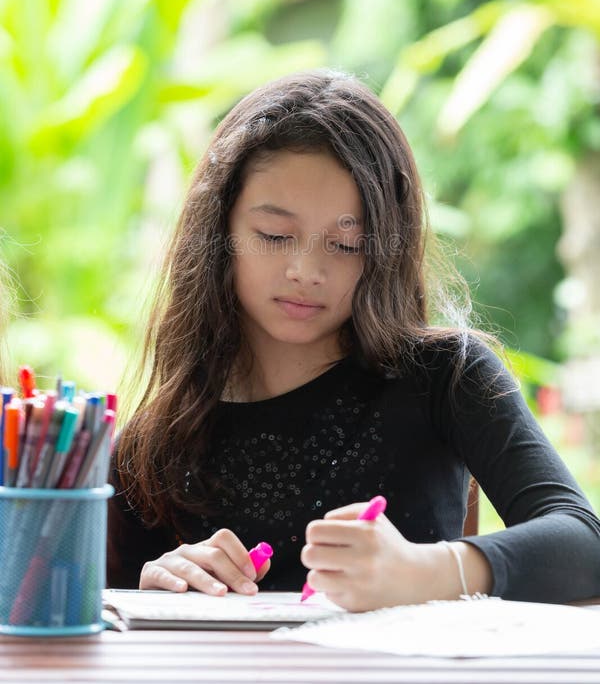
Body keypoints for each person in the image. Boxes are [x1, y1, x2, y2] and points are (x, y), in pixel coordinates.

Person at [108, 69, 600, 611]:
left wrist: (426, 570)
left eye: (346, 244)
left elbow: (584, 543)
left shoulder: (446, 377)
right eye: (274, 236)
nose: (306, 270)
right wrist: (153, 590)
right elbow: (103, 623)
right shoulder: (156, 440)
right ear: (219, 233)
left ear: (385, 251)